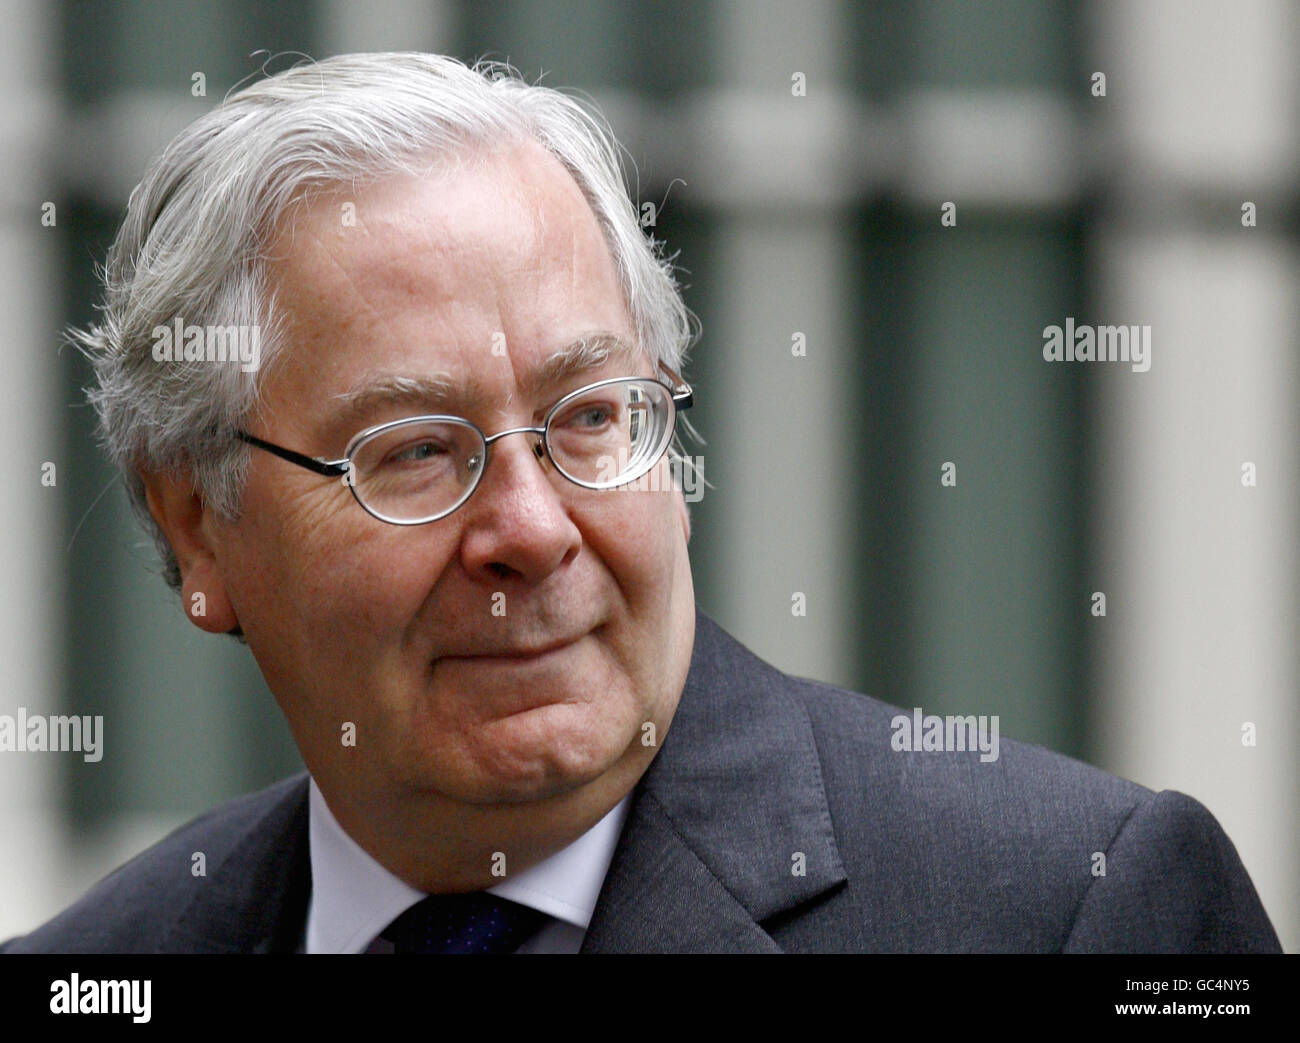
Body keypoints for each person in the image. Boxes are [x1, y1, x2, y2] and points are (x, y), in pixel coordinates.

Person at [3, 53, 1280, 954]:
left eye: (590, 419)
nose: (533, 528)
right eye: (414, 451)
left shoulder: (1073, 906)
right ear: (196, 525)